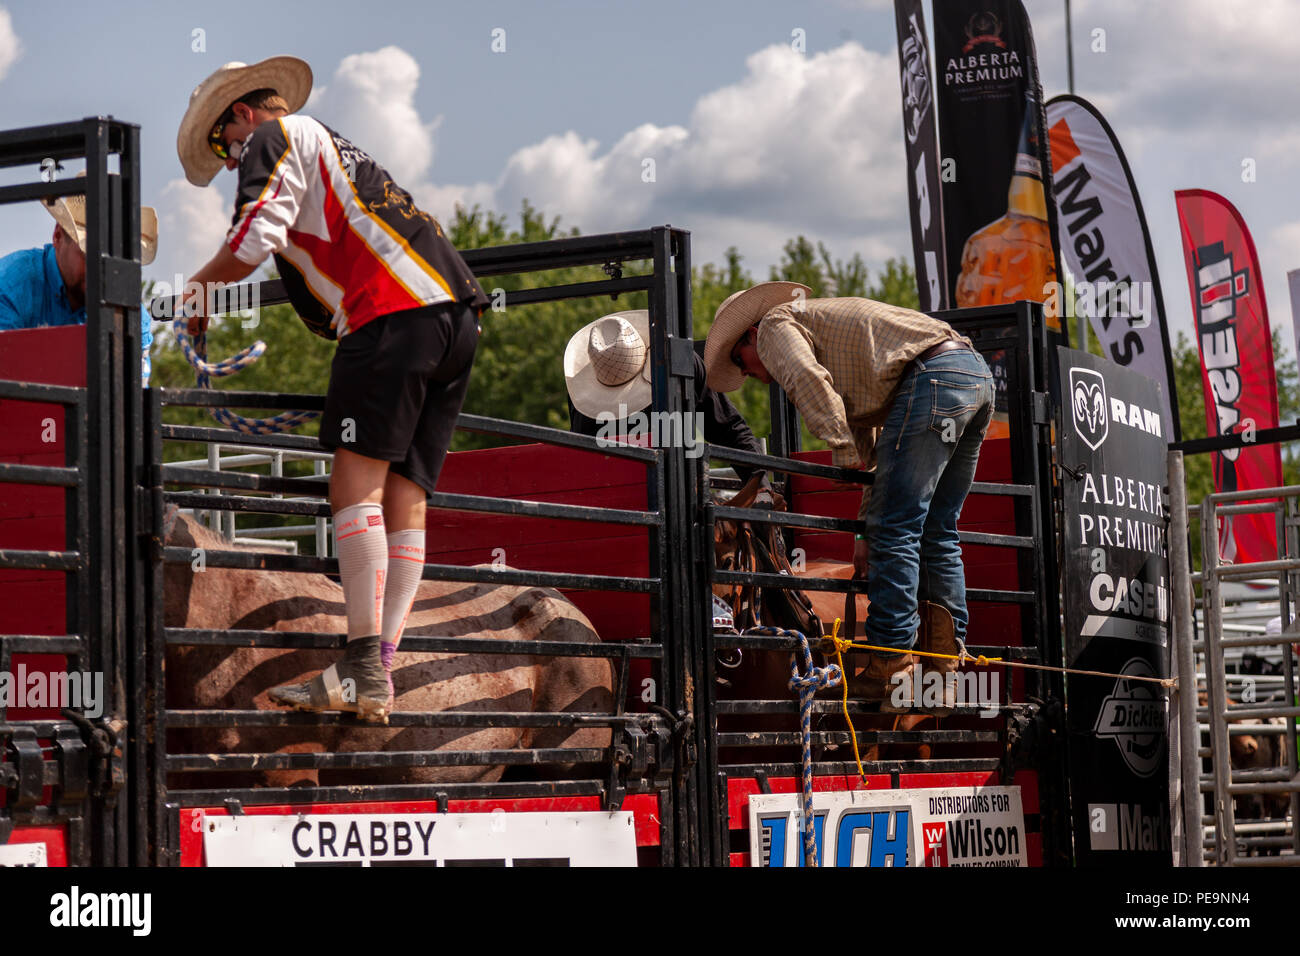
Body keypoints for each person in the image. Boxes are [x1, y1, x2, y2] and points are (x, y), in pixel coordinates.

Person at [176, 56, 488, 722]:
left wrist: (197, 289)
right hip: (457, 314)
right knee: (406, 497)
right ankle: (377, 670)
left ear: (242, 114)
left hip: (393, 312)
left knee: (354, 489)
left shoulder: (274, 136)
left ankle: (361, 662)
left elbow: (253, 238)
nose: (232, 163)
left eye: (224, 147)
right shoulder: (332, 148)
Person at [703, 282, 994, 710]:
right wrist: (863, 535)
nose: (751, 375)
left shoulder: (773, 326)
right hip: (971, 376)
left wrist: (838, 444)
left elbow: (805, 378)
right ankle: (944, 676)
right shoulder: (859, 379)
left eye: (741, 364)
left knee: (898, 530)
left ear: (749, 334)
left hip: (935, 378)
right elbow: (877, 457)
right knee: (937, 530)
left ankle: (892, 671)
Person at [564, 309, 774, 502]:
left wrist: (760, 485)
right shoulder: (682, 367)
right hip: (666, 504)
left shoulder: (582, 401)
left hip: (611, 507)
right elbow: (729, 429)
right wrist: (761, 485)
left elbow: (730, 429)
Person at [0, 177, 157, 384]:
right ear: (57, 236)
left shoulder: (131, 315)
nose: (100, 270)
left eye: (110, 260)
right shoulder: (11, 286)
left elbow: (133, 398)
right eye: (88, 255)